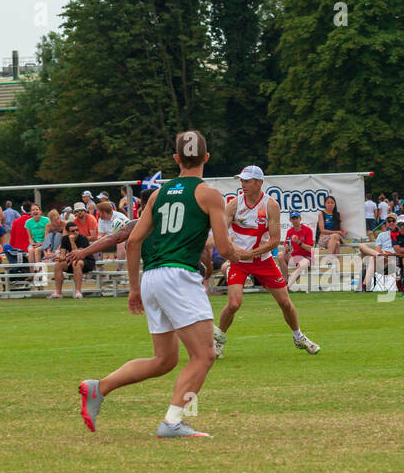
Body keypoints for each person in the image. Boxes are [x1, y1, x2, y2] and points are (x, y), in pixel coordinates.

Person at [70, 130, 251, 438]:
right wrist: (248, 255)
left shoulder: (158, 194)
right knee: (204, 355)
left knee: (165, 359)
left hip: (153, 276)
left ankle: (99, 388)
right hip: (179, 276)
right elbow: (224, 247)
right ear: (207, 158)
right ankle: (173, 422)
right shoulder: (209, 194)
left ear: (176, 159)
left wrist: (135, 288)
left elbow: (133, 241)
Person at [213, 165, 320, 358]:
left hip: (263, 261)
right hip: (239, 261)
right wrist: (233, 250)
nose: (242, 184)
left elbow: (273, 241)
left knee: (285, 303)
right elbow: (220, 233)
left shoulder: (270, 205)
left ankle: (299, 337)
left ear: (259, 182)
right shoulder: (234, 204)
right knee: (234, 304)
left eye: (247, 180)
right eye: (241, 180)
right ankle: (218, 341)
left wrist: (250, 254)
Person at [356, 213, 399, 290]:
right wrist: (381, 254)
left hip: (393, 259)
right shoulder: (381, 235)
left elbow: (401, 251)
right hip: (380, 258)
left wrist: (391, 254)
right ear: (386, 223)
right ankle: (364, 286)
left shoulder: (401, 234)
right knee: (361, 245)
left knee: (371, 259)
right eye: (389, 221)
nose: (391, 222)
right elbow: (377, 250)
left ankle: (364, 286)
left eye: (393, 220)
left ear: (397, 222)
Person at [52, 225, 94, 298]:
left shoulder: (83, 239)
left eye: (77, 230)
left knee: (76, 262)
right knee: (57, 264)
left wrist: (72, 241)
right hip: (71, 261)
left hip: (86, 261)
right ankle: (58, 293)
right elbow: (62, 255)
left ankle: (78, 292)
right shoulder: (65, 238)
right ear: (68, 232)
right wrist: (57, 259)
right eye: (73, 231)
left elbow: (78, 255)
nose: (76, 232)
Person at [284, 211, 314, 287]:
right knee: (280, 255)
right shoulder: (289, 232)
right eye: (293, 219)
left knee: (303, 263)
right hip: (294, 257)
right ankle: (285, 281)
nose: (295, 220)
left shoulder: (307, 230)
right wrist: (287, 248)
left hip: (307, 257)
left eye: (296, 218)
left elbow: (311, 249)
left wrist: (298, 242)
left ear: (300, 218)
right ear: (290, 220)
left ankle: (287, 286)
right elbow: (287, 247)